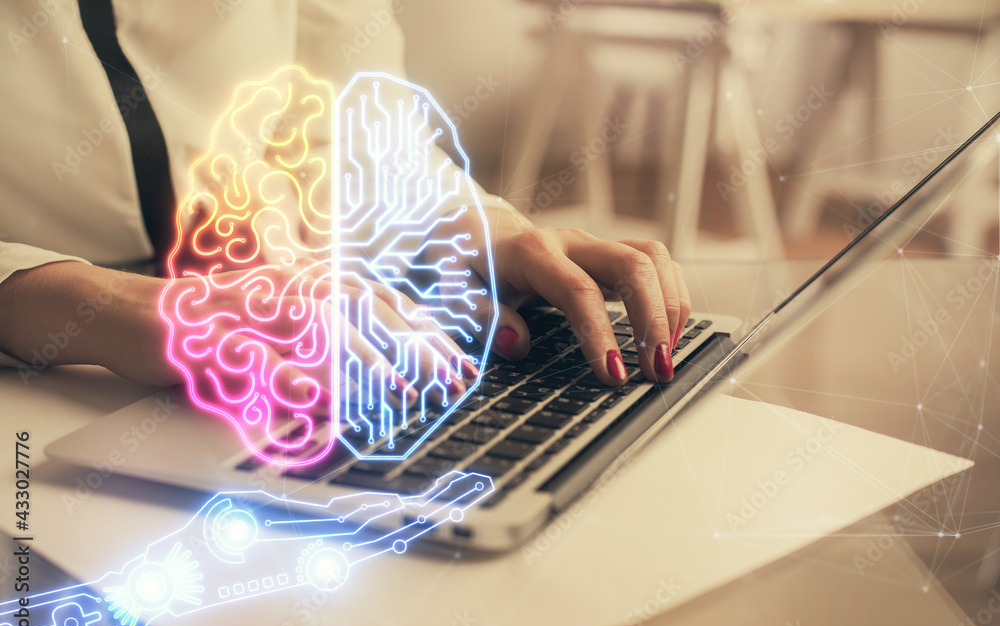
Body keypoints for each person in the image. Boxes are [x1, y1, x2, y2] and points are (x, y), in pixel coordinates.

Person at [0, 0, 690, 399]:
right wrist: (88, 302)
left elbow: (352, 122)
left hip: (270, 330)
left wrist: (463, 221)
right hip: (39, 382)